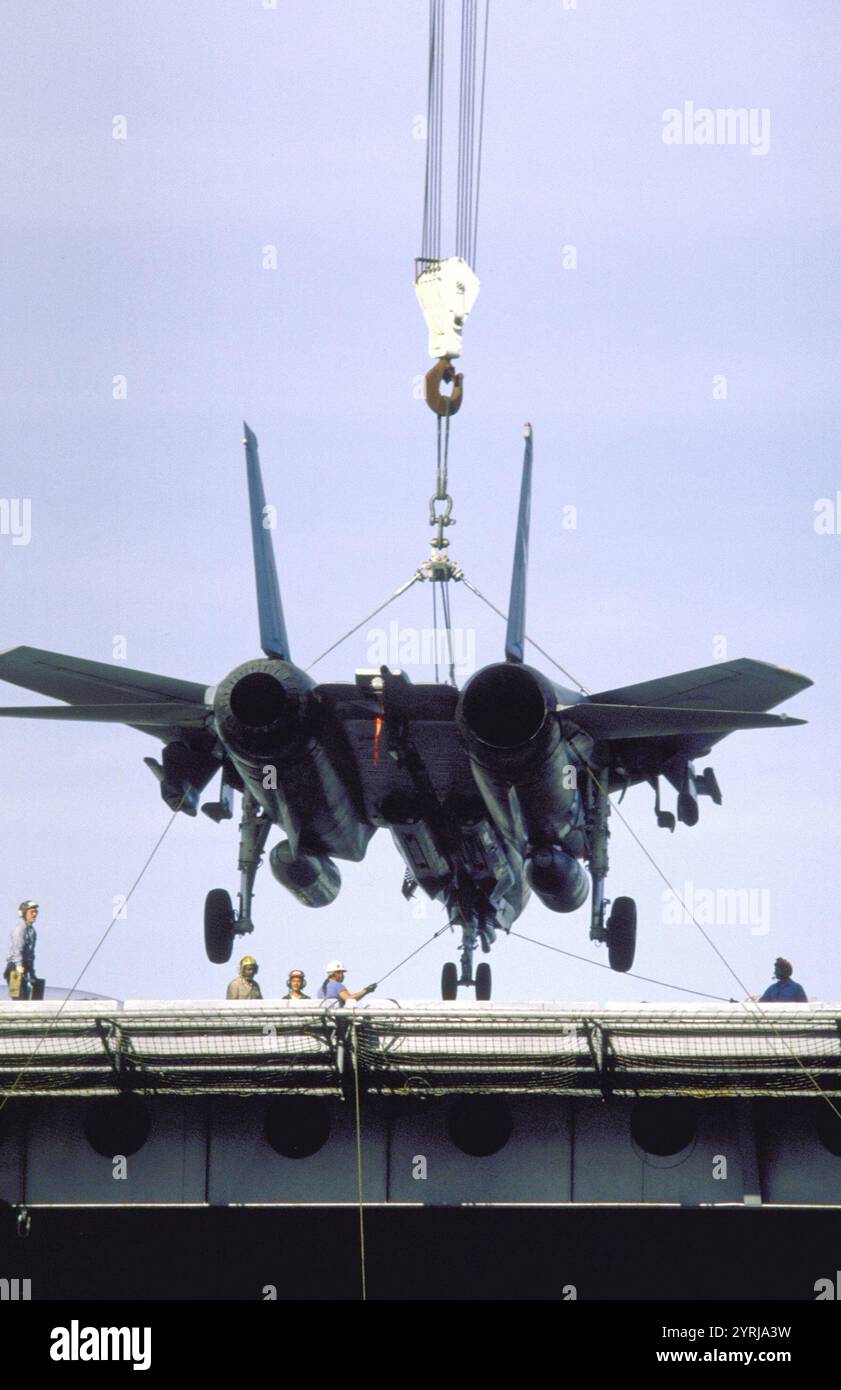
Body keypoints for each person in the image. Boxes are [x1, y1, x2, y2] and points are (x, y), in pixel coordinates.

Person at [4, 901, 39, 1000]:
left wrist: (32, 973)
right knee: (18, 999)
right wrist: (19, 966)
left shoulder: (32, 931)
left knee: (27, 998)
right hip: (14, 969)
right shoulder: (20, 929)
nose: (34, 914)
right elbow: (17, 949)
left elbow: (31, 954)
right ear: (24, 913)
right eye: (31, 912)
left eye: (36, 912)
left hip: (24, 967)